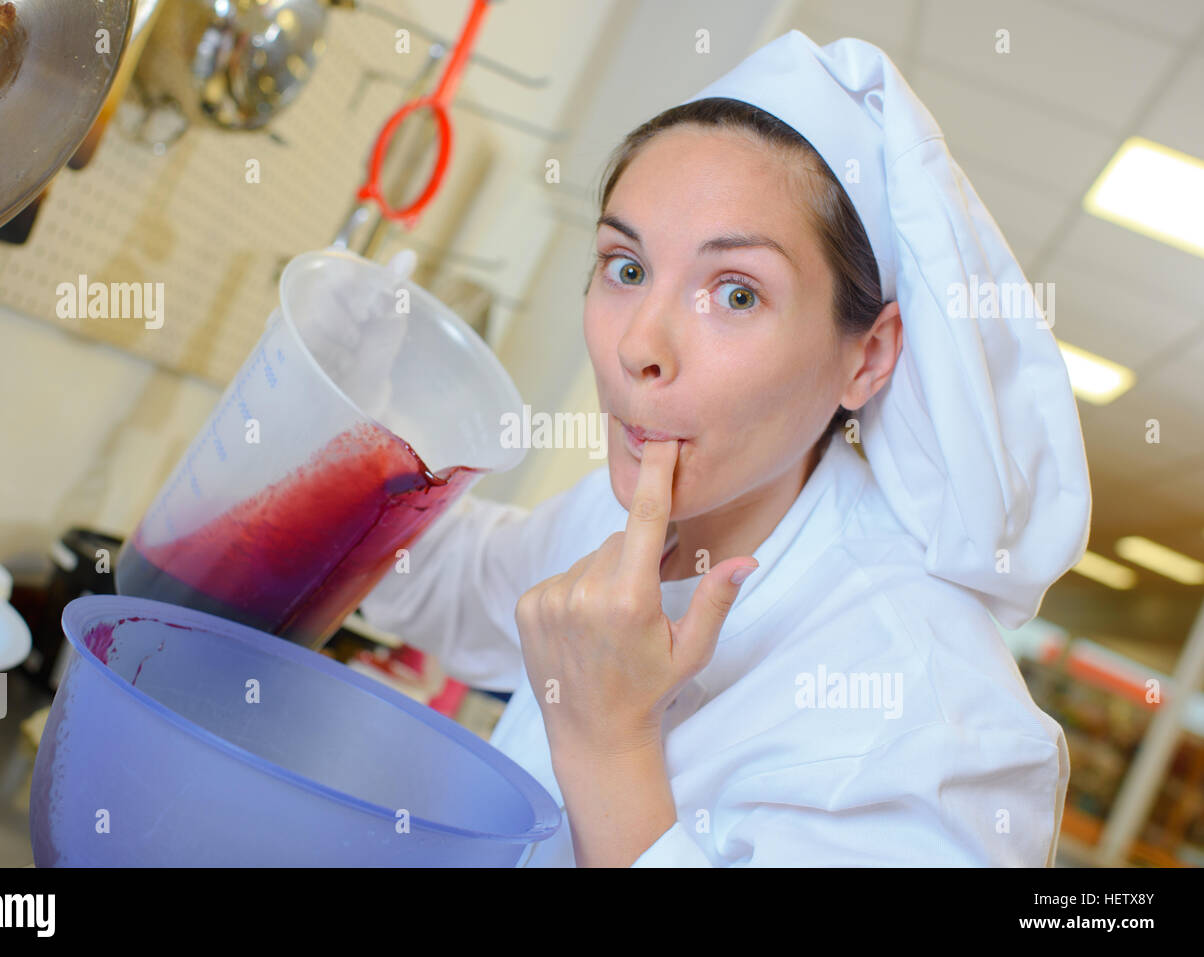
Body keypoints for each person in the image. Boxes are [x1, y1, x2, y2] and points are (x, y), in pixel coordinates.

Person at [358, 29, 1091, 867]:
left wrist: (610, 748)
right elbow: (448, 581)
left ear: (868, 356)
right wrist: (347, 420)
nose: (640, 343)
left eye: (735, 292)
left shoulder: (941, 721)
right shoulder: (628, 514)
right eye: (626, 268)